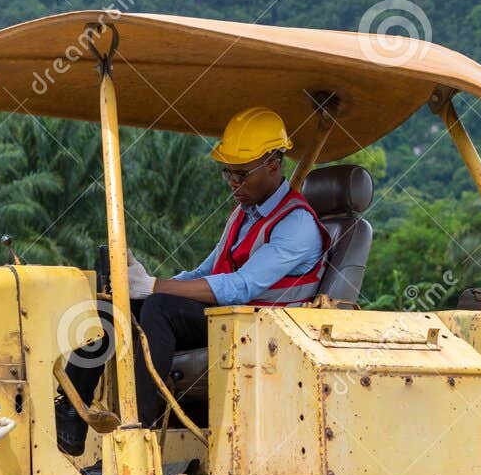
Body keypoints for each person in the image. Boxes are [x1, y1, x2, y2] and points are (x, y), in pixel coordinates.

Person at [55, 106, 329, 456]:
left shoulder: (297, 225)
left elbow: (241, 286)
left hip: (266, 331)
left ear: (273, 165)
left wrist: (154, 287)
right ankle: (72, 411)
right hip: (231, 321)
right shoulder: (244, 214)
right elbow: (204, 273)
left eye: (241, 175)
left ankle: (137, 431)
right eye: (227, 173)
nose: (233, 183)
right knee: (115, 305)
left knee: (159, 308)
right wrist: (138, 283)